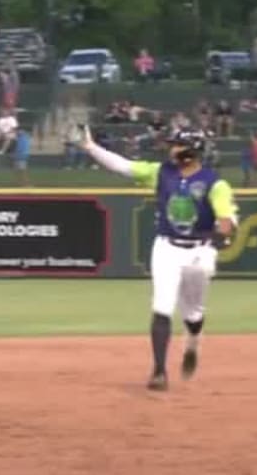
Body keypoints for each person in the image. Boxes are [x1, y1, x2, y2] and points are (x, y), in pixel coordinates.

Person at [81, 126, 237, 391]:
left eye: (176, 145)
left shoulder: (215, 183)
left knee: (193, 313)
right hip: (166, 247)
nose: (171, 149)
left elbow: (226, 220)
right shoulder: (161, 173)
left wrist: (223, 232)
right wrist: (90, 147)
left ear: (191, 151)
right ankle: (159, 371)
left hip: (200, 251)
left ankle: (193, 341)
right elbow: (124, 167)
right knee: (162, 307)